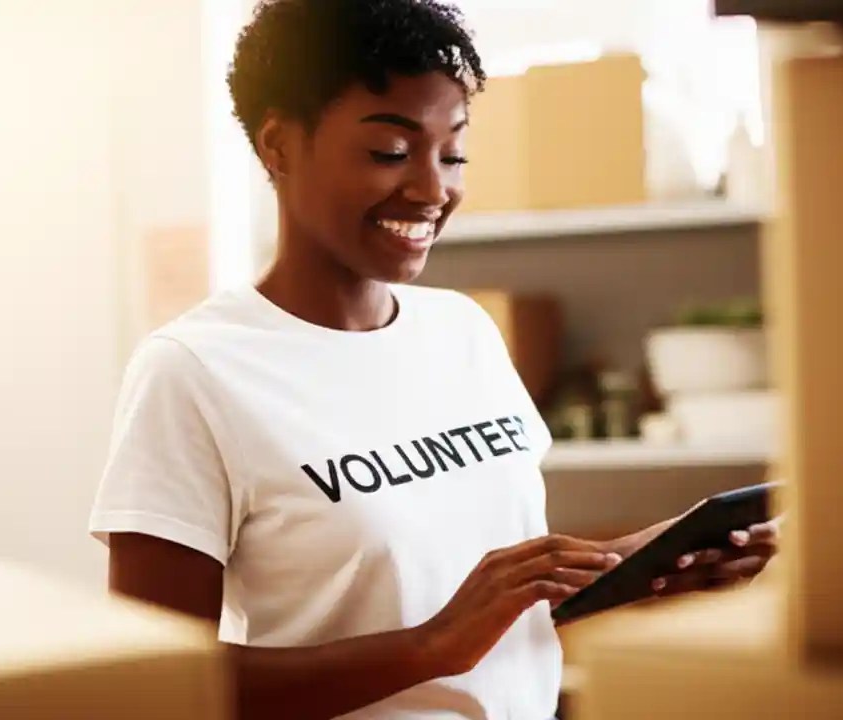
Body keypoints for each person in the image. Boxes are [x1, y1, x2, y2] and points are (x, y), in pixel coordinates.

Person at [88, 1, 778, 718]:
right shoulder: (193, 370)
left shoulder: (464, 331)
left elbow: (503, 600)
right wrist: (432, 645)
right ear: (278, 146)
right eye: (391, 152)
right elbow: (157, 684)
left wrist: (667, 563)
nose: (433, 189)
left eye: (453, 154)